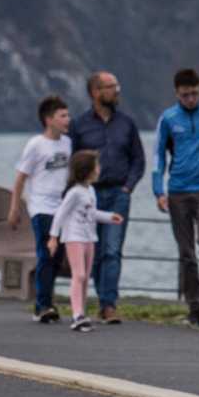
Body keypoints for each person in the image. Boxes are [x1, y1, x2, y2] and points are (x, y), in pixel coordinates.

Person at [153, 67, 199, 326]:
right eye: (186, 95)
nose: (191, 99)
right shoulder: (167, 119)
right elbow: (158, 157)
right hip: (178, 192)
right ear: (177, 93)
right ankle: (193, 307)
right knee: (186, 253)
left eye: (195, 94)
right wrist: (158, 190)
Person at [67, 70, 144, 322]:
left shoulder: (127, 124)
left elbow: (138, 160)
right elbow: (71, 161)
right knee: (95, 251)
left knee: (112, 249)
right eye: (111, 87)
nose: (117, 91)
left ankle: (108, 304)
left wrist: (128, 187)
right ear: (96, 92)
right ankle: (97, 299)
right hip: (89, 195)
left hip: (119, 193)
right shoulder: (79, 126)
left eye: (116, 86)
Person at [6, 94, 73, 323]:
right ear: (49, 119)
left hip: (62, 208)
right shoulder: (36, 145)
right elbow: (20, 178)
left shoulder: (68, 143)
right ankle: (44, 305)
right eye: (62, 116)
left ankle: (43, 302)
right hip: (41, 207)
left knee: (58, 257)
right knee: (46, 253)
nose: (68, 119)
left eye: (68, 115)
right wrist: (15, 208)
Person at [48, 149, 122, 332]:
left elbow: (92, 213)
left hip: (89, 237)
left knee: (85, 277)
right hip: (74, 237)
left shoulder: (91, 191)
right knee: (78, 275)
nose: (99, 170)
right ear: (87, 170)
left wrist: (109, 217)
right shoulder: (74, 192)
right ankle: (76, 315)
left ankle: (82, 313)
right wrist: (53, 237)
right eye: (96, 166)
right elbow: (60, 214)